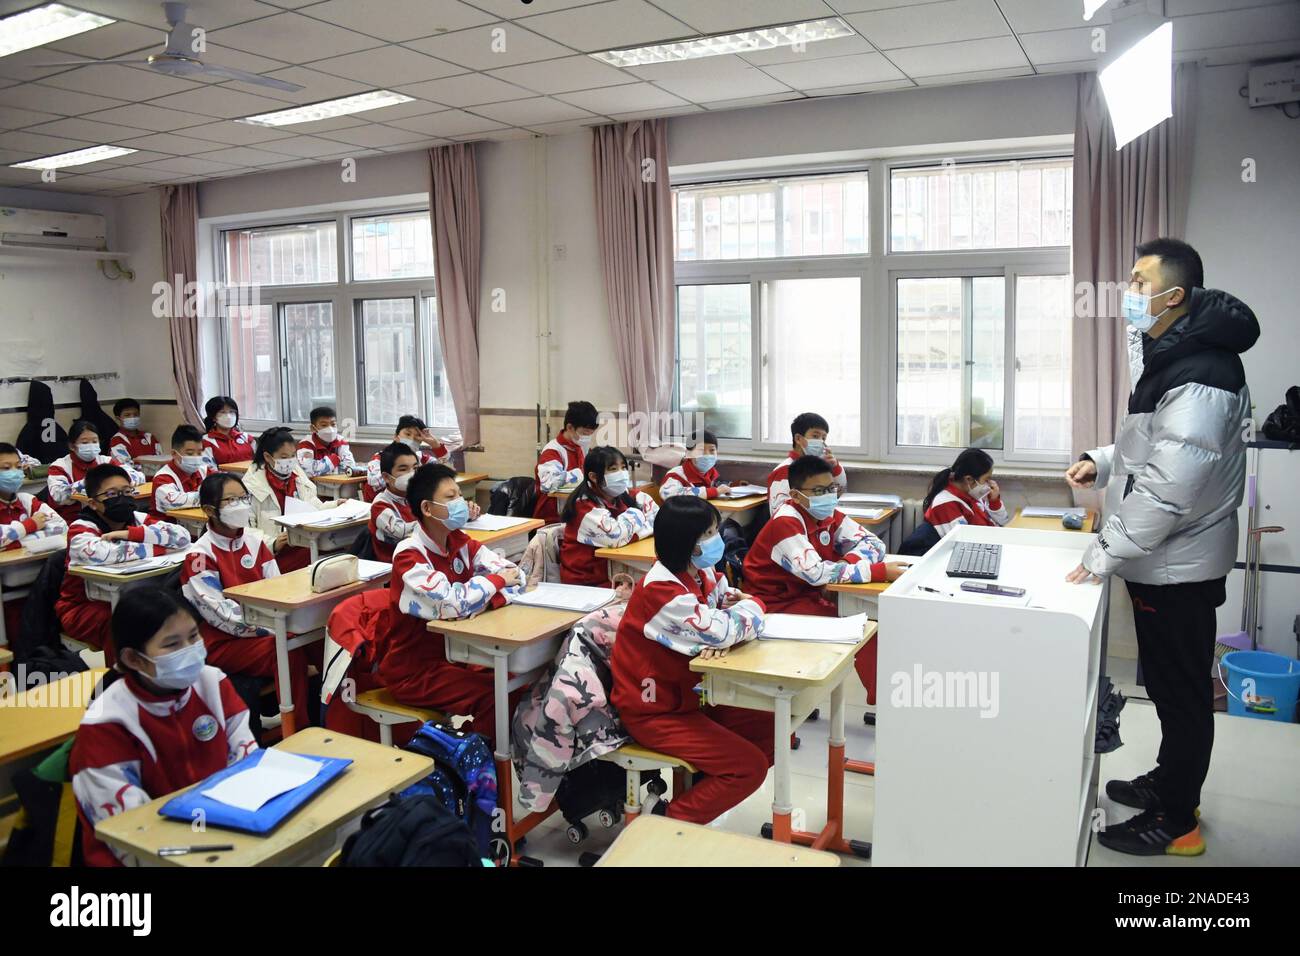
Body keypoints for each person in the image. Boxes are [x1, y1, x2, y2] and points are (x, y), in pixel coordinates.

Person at [1065, 238, 1259, 857]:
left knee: (1179, 693)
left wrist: (1101, 554)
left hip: (1178, 566)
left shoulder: (1204, 372)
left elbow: (1171, 489)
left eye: (1138, 281)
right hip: (1166, 564)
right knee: (1172, 689)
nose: (1127, 293)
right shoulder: (1176, 358)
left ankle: (1178, 820)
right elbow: (1152, 450)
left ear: (1174, 296)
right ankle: (1171, 786)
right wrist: (1100, 462)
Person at [610, 495, 771, 824]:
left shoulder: (702, 571)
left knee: (768, 726)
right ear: (687, 543)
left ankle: (698, 790)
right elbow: (725, 628)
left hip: (693, 697)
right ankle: (668, 823)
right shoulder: (661, 592)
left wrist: (727, 626)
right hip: (654, 711)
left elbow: (724, 610)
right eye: (708, 533)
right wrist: (753, 606)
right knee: (748, 768)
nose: (717, 539)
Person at [69, 588, 258, 867]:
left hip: (223, 835)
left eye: (194, 636)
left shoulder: (212, 683)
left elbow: (248, 766)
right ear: (133, 659)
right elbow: (134, 833)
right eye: (171, 645)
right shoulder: (107, 725)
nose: (190, 651)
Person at [745, 455, 907, 717]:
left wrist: (844, 564)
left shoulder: (827, 514)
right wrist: (875, 571)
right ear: (796, 495)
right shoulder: (786, 522)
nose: (828, 496)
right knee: (862, 627)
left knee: (873, 622)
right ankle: (886, 706)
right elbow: (816, 573)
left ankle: (885, 699)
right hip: (774, 604)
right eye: (819, 491)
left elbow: (874, 544)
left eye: (831, 488)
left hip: (808, 594)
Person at [378, 464, 527, 747]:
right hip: (416, 671)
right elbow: (450, 603)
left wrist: (487, 595)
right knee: (495, 696)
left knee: (520, 681)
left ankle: (490, 757)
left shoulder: (460, 542)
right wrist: (492, 586)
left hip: (463, 656)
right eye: (451, 497)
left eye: (460, 494)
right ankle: (480, 775)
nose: (462, 502)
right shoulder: (409, 557)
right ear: (427, 508)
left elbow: (515, 575)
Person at [180, 473, 315, 729]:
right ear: (210, 510)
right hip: (223, 642)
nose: (241, 505)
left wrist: (288, 622)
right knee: (288, 648)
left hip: (267, 631)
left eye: (243, 498)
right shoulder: (199, 555)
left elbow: (279, 589)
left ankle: (330, 717)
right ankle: (299, 729)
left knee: (318, 637)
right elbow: (221, 616)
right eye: (231, 500)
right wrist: (277, 627)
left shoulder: (254, 542)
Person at [56, 464, 191, 661]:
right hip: (82, 607)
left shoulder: (137, 519)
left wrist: (131, 534)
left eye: (127, 491)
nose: (122, 498)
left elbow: (182, 536)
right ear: (93, 503)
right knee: (125, 622)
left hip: (131, 596)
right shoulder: (80, 528)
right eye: (111, 494)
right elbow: (105, 554)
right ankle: (123, 679)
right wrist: (158, 546)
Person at [559, 445, 657, 586]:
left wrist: (629, 532)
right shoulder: (584, 507)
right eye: (613, 469)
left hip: (615, 574)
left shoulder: (623, 495)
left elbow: (657, 516)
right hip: (587, 582)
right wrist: (638, 515)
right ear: (593, 477)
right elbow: (616, 537)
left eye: (623, 467)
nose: (622, 473)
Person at [0, 442, 66, 638]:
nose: (15, 472)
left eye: (18, 467)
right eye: (6, 468)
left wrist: (17, 538)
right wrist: (30, 526)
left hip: (34, 575)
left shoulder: (27, 500)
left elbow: (61, 527)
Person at [242, 427, 331, 573]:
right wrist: (274, 543)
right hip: (271, 554)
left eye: (293, 456)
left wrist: (336, 505)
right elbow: (245, 532)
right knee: (320, 565)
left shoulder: (296, 474)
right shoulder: (250, 486)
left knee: (334, 556)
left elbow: (313, 504)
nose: (290, 462)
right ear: (268, 457)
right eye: (284, 457)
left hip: (303, 543)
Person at [47, 420, 145, 520]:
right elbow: (58, 495)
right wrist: (92, 481)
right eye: (85, 442)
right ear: (72, 446)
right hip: (72, 518)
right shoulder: (59, 466)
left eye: (95, 441)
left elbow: (139, 476)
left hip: (105, 514)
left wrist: (123, 482)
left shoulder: (106, 461)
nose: (91, 445)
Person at [766, 412, 848, 515]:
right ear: (798, 439)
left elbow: (839, 491)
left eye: (823, 438)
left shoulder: (816, 467)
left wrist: (835, 467)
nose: (821, 442)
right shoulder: (784, 471)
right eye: (815, 436)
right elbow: (781, 513)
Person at [533, 400, 598, 522]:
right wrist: (580, 474)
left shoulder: (580, 447)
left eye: (591, 434)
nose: (588, 437)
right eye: (585, 433)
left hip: (576, 512)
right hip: (552, 518)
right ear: (570, 427)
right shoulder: (552, 451)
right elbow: (550, 483)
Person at [362, 415, 453, 502]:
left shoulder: (421, 458)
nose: (412, 439)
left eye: (417, 437)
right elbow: (375, 482)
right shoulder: (380, 458)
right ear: (396, 436)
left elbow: (447, 471)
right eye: (407, 434)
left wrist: (436, 445)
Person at [922, 447, 1010, 536]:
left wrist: (994, 502)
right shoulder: (946, 504)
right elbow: (963, 542)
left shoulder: (970, 493)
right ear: (969, 479)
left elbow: (1003, 522)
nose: (990, 484)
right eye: (986, 479)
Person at [368, 441, 419, 562]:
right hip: (396, 565)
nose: (412, 474)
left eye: (415, 468)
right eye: (403, 469)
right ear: (386, 477)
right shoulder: (380, 505)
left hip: (421, 558)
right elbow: (400, 531)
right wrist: (437, 520)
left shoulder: (419, 495)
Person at [151, 424, 217, 514]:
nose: (196, 457)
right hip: (169, 525)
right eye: (190, 453)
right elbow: (177, 501)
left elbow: (222, 484)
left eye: (199, 453)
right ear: (174, 453)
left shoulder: (204, 471)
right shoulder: (163, 478)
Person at [659, 430, 733, 500]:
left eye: (712, 450)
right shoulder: (676, 475)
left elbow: (719, 487)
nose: (707, 455)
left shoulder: (711, 473)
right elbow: (668, 494)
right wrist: (713, 492)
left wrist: (732, 486)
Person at [296, 405, 359, 477]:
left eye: (333, 424)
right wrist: (334, 460)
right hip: (316, 485)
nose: (330, 429)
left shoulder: (340, 441)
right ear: (313, 428)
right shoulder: (306, 444)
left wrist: (321, 467)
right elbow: (307, 471)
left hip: (339, 483)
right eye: (324, 425)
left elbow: (350, 467)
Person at [201, 396, 254, 466]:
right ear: (213, 417)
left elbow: (259, 463)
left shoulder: (247, 438)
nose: (228, 416)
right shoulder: (206, 441)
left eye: (232, 412)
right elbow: (209, 468)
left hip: (250, 476)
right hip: (222, 476)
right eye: (222, 412)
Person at [107, 398, 162, 465]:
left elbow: (160, 459)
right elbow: (126, 466)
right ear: (118, 418)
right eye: (127, 415)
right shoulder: (117, 440)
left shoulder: (149, 437)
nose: (132, 417)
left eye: (136, 414)